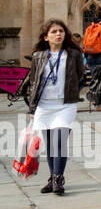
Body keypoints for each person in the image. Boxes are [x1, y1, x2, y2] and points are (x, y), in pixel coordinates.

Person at [16, 20, 85, 196]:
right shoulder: (38, 56)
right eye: (53, 31)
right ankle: (52, 177)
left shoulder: (73, 54)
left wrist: (73, 90)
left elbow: (81, 76)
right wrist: (32, 109)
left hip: (65, 104)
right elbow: (34, 83)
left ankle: (58, 178)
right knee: (50, 145)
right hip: (44, 106)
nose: (58, 34)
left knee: (59, 142)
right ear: (46, 37)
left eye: (61, 31)